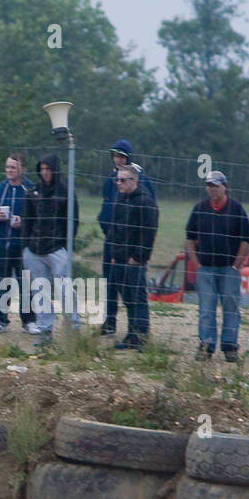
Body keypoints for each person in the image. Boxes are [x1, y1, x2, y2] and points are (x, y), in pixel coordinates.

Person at [185, 171, 249, 361]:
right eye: (209, 185)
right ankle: (206, 345)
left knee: (230, 306)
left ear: (225, 187)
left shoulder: (236, 208)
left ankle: (230, 346)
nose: (212, 189)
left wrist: (237, 263)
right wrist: (196, 263)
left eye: (216, 185)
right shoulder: (199, 209)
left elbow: (246, 237)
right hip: (205, 268)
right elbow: (190, 237)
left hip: (228, 268)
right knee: (206, 308)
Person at [97, 139, 156, 336]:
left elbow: (148, 218)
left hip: (132, 244)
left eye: (122, 156)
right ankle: (110, 320)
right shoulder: (110, 180)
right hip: (112, 240)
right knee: (111, 281)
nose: (118, 159)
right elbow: (107, 205)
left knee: (132, 289)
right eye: (115, 155)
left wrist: (139, 252)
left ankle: (138, 331)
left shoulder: (139, 180)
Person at [21, 153, 79, 346]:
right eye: (42, 169)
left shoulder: (65, 192)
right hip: (34, 249)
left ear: (55, 170)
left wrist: (64, 245)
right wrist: (26, 245)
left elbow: (73, 222)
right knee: (41, 291)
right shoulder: (33, 192)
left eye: (48, 169)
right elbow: (27, 221)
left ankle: (73, 328)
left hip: (56, 249)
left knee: (65, 290)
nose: (45, 173)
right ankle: (45, 330)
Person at [105, 164, 158, 351]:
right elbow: (114, 229)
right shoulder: (120, 200)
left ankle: (142, 336)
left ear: (134, 181)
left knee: (138, 298)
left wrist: (137, 257)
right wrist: (113, 254)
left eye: (122, 180)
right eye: (117, 180)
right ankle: (131, 335)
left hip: (134, 260)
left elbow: (149, 233)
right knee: (127, 298)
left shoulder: (145, 202)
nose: (118, 183)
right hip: (119, 258)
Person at [0, 153, 33, 334]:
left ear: (23, 170)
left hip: (23, 246)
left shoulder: (30, 190)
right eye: (7, 167)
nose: (9, 171)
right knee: (2, 284)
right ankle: (0, 320)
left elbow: (37, 218)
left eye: (13, 167)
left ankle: (29, 321)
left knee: (25, 283)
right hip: (2, 244)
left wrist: (23, 222)